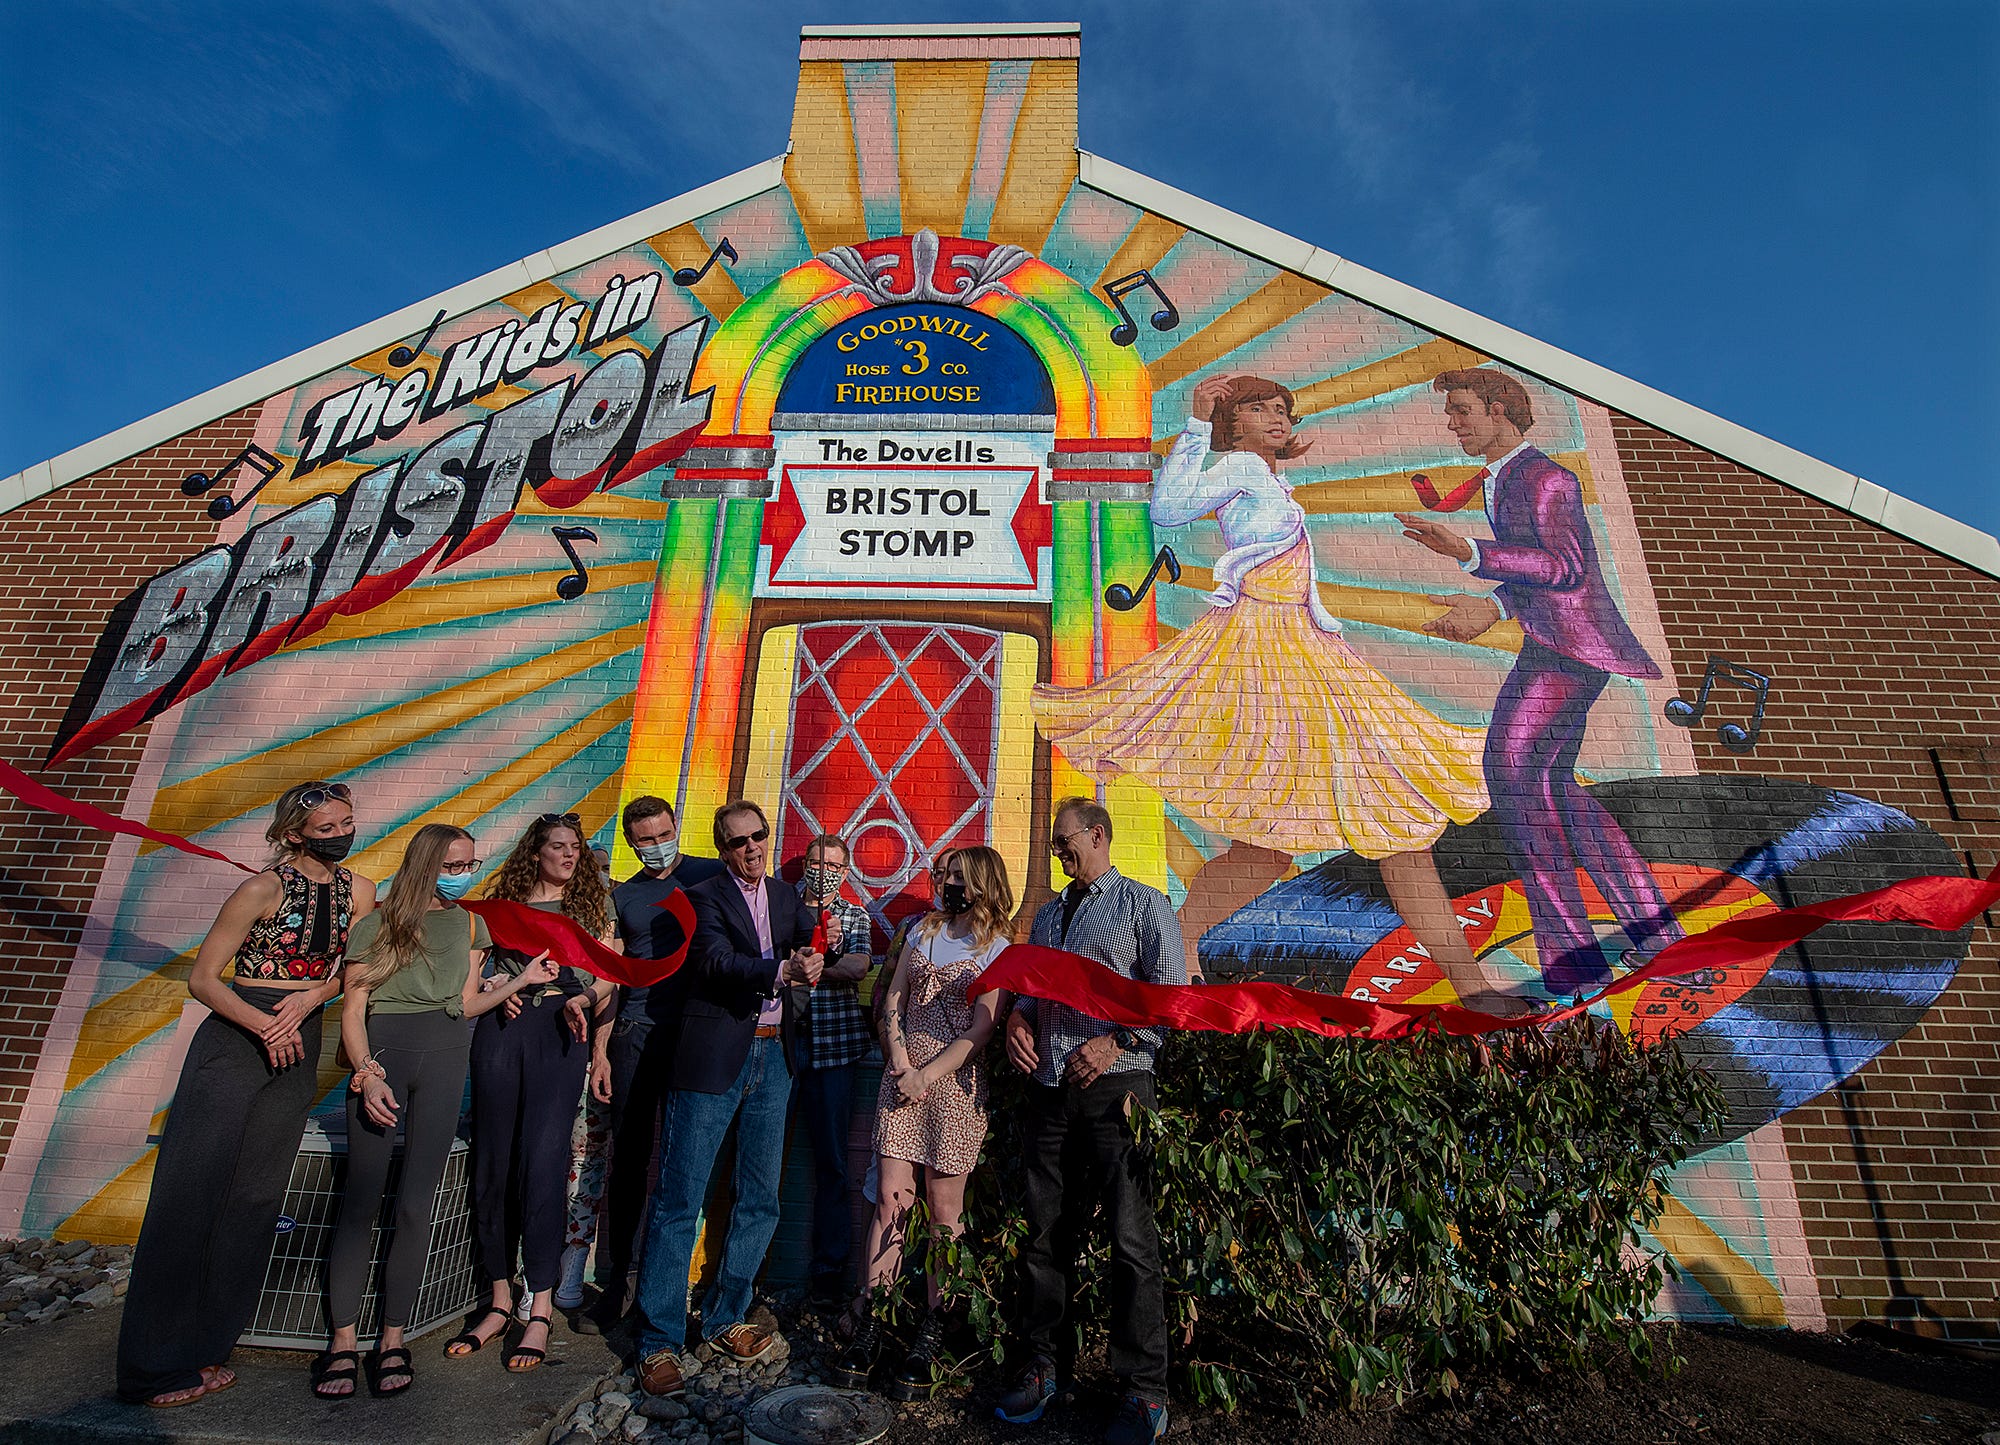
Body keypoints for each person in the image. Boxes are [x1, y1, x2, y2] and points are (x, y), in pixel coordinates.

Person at [1030, 374, 1519, 1012]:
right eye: (1259, 408)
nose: (1277, 417)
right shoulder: (1237, 464)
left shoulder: (1268, 476)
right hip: (1268, 657)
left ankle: (1469, 986)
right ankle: (1469, 986)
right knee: (1345, 832)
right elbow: (1168, 508)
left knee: (1293, 846)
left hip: (1304, 655)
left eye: (1281, 408)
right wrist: (1198, 425)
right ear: (1235, 423)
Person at [1399, 367, 1684, 994]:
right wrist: (1493, 607)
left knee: (1511, 773)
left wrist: (1468, 551)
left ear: (1501, 410)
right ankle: (1652, 933)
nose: (1454, 422)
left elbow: (1564, 567)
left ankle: (1574, 957)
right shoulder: (1505, 479)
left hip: (1571, 650)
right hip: (1555, 642)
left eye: (1464, 409)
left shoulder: (1547, 477)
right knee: (1548, 783)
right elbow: (1544, 577)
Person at [116, 781, 377, 1407]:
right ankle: (152, 1367)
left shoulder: (361, 891)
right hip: (239, 1033)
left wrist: (311, 1001)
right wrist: (266, 1023)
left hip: (301, 1029)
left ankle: (208, 1347)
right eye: (328, 827)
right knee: (191, 1192)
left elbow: (357, 967)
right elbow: (204, 980)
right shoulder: (260, 889)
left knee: (255, 1195)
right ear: (294, 835)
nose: (342, 833)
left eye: (347, 821)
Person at [316, 824, 558, 1399]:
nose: (465, 872)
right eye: (455, 863)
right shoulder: (376, 924)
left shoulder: (472, 925)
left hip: (448, 1060)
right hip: (384, 1059)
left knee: (417, 1205)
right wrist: (367, 1073)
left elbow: (468, 1002)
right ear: (426, 864)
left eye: (471, 863)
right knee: (361, 1201)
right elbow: (353, 1010)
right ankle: (343, 1341)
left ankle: (392, 1338)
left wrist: (521, 979)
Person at [997, 799, 1181, 1445]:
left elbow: (1169, 995)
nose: (1057, 852)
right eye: (1054, 845)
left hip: (1118, 1091)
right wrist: (1018, 1019)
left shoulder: (1143, 903)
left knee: (1132, 1241)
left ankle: (1143, 1392)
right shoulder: (1049, 914)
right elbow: (1032, 988)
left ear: (1099, 834)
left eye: (1063, 841)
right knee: (1046, 1236)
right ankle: (1046, 1365)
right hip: (1049, 1090)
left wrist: (1115, 1043)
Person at [632, 800, 823, 1400]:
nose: (751, 849)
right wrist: (782, 972)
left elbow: (807, 946)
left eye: (758, 837)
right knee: (679, 1197)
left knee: (760, 1197)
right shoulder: (703, 896)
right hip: (713, 1058)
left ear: (769, 837)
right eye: (738, 842)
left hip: (776, 1057)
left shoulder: (789, 897)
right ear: (722, 849)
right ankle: (657, 1341)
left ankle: (724, 1319)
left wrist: (819, 953)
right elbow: (715, 962)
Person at [832, 847, 1010, 1401]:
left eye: (958, 878)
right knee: (890, 1198)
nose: (947, 885)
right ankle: (875, 1319)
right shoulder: (921, 932)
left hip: (953, 1086)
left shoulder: (998, 948)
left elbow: (981, 1030)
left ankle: (936, 1325)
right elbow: (894, 997)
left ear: (981, 884)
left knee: (943, 1210)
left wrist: (926, 1074)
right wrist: (900, 1059)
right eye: (945, 877)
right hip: (903, 1073)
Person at [452, 811, 616, 1371]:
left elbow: (608, 975)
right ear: (536, 852)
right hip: (502, 1033)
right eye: (558, 846)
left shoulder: (593, 907)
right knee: (493, 1164)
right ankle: (500, 1301)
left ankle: (540, 1307)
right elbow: (477, 975)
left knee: (543, 1164)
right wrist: (499, 983)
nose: (569, 855)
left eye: (575, 846)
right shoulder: (504, 909)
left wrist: (584, 999)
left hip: (560, 1036)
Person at [582, 796, 724, 1332]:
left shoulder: (713, 876)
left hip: (701, 1033)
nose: (656, 845)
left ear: (676, 828)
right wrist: (601, 1050)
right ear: (631, 842)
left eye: (663, 833)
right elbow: (614, 974)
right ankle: (619, 1279)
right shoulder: (626, 895)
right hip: (637, 1034)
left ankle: (690, 1287)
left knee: (691, 1164)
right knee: (631, 1157)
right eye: (644, 839)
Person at [792, 832, 877, 1306]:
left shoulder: (853, 916)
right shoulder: (782, 909)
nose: (822, 871)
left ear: (844, 872)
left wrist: (826, 959)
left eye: (832, 865)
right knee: (756, 1162)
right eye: (815, 861)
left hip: (834, 1051)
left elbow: (860, 967)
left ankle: (827, 1271)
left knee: (832, 1163)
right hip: (780, 1047)